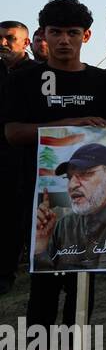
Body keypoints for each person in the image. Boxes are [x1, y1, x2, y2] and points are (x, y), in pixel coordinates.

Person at [1, 0, 106, 350]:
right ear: (44, 37)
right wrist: (64, 125)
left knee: (81, 285)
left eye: (73, 33)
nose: (65, 41)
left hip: (89, 206)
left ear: (86, 36)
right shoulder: (25, 80)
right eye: (56, 33)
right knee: (42, 288)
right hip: (37, 199)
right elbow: (13, 132)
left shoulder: (104, 82)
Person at [0, 20, 35, 296]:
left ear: (25, 43)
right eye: (0, 38)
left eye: (9, 38)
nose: (3, 44)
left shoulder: (37, 75)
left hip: (29, 158)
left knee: (22, 215)